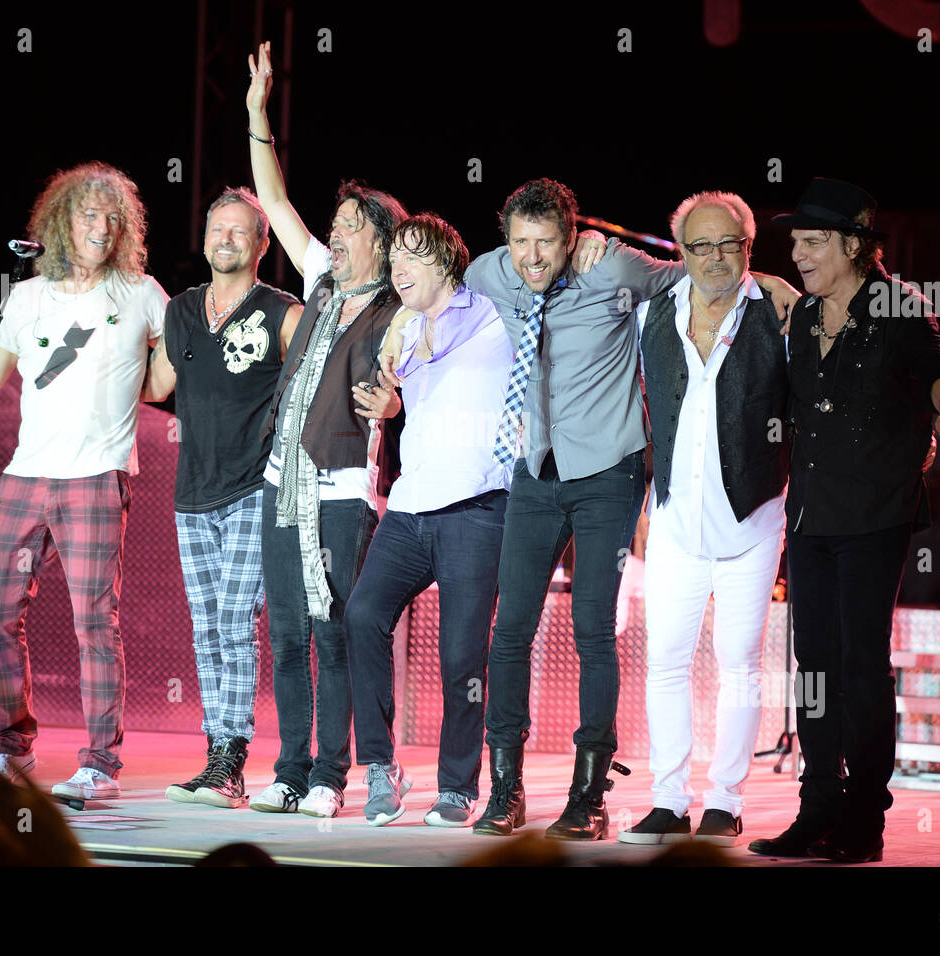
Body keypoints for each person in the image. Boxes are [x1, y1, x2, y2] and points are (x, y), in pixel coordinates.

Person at [463, 178, 800, 839]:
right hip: (537, 471)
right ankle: (506, 791)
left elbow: (704, 272)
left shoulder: (619, 268)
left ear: (571, 236)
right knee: (510, 632)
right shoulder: (491, 273)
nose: (533, 257)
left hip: (615, 475)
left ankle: (594, 800)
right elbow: (432, 291)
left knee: (599, 630)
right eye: (521, 243)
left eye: (548, 242)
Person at [749, 178, 940, 863]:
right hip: (811, 515)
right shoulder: (807, 316)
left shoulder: (900, 308)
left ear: (855, 245)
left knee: (860, 665)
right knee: (814, 667)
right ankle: (817, 807)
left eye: (814, 243)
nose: (802, 255)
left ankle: (863, 820)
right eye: (796, 243)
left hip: (875, 513)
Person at [0, 162, 167, 802]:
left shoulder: (141, 291)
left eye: (112, 217)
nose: (101, 226)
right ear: (61, 221)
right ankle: (13, 747)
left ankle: (100, 764)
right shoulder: (27, 295)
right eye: (89, 214)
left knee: (95, 619)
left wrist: (141, 382)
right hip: (26, 478)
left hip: (96, 478)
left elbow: (171, 366)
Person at [245, 42, 406, 819]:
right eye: (332, 227)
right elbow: (274, 203)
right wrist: (256, 115)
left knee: (332, 628)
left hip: (343, 491)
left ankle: (333, 774)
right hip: (284, 483)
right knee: (285, 636)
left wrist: (398, 403)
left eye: (347, 227)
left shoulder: (396, 308)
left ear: (379, 237)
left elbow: (410, 381)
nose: (332, 236)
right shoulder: (318, 281)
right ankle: (290, 765)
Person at [618, 192, 788, 847]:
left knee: (738, 660)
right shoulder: (653, 313)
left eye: (730, 245)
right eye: (701, 246)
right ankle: (668, 799)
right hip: (675, 520)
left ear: (749, 247)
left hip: (753, 515)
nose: (716, 258)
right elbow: (640, 407)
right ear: (680, 252)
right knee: (665, 659)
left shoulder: (778, 310)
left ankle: (725, 799)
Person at [343, 214, 514, 827]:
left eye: (412, 258)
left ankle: (457, 786)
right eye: (393, 263)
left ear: (446, 260)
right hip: (410, 508)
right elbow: (395, 395)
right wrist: (389, 403)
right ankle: (383, 768)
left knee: (462, 653)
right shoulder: (402, 327)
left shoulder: (493, 312)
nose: (399, 271)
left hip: (477, 507)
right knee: (362, 615)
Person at [143, 187, 303, 808]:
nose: (227, 240)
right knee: (208, 628)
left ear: (263, 245)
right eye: (219, 229)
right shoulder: (181, 310)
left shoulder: (283, 311)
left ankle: (230, 762)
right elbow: (157, 384)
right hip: (192, 494)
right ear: (206, 236)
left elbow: (313, 385)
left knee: (235, 623)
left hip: (252, 490)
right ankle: (216, 755)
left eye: (242, 232)